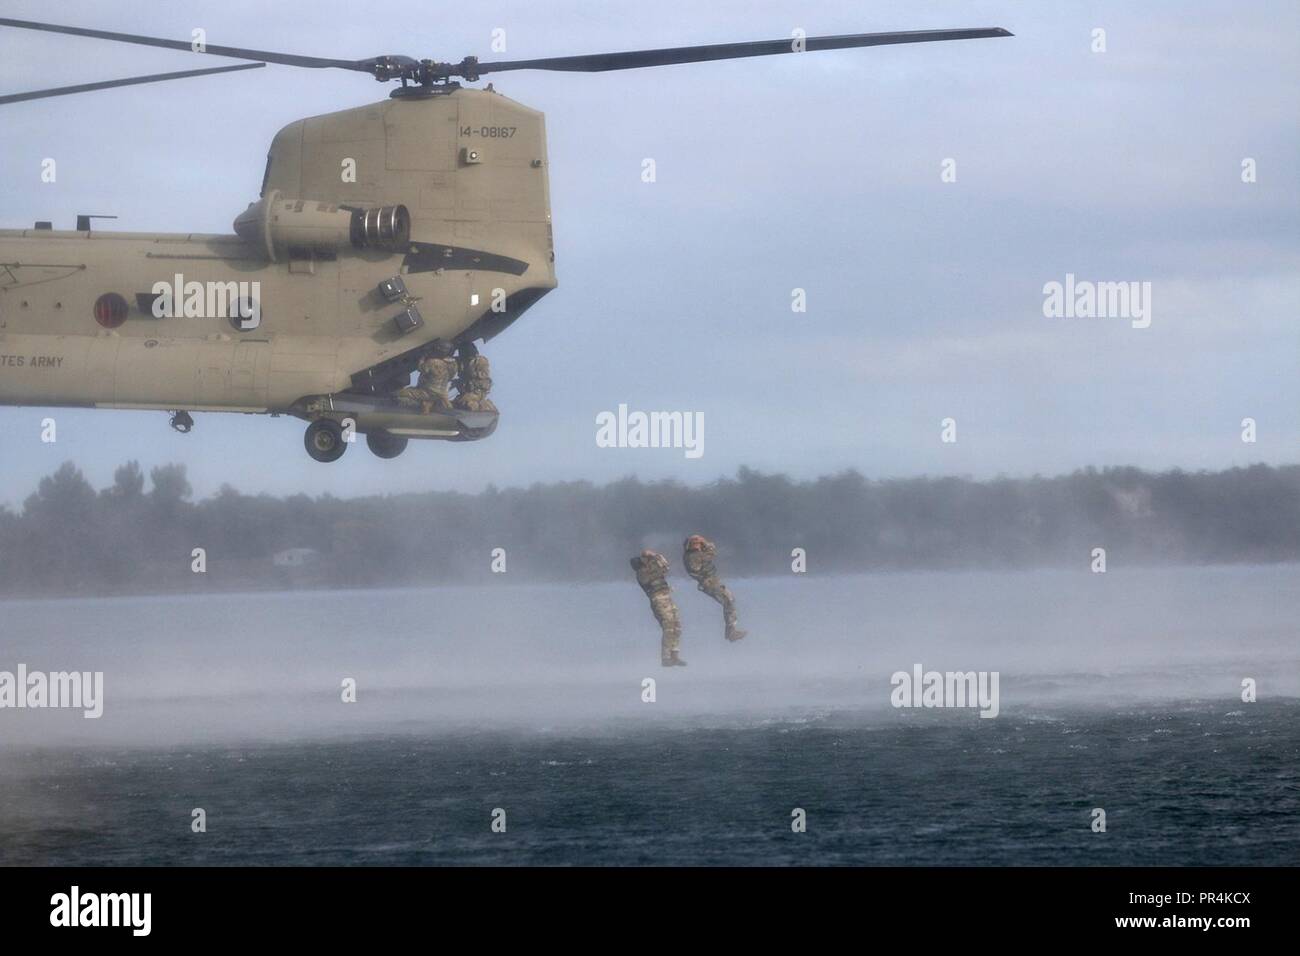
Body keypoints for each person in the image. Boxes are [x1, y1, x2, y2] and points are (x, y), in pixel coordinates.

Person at [683, 534, 747, 642]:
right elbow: (710, 554)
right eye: (695, 544)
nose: (698, 545)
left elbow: (710, 554)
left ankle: (731, 630)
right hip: (708, 582)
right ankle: (731, 631)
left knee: (729, 600)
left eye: (698, 543)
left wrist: (703, 543)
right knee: (728, 601)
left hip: (711, 581)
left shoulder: (695, 554)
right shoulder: (693, 556)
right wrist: (705, 542)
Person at [630, 549, 685, 667]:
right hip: (658, 600)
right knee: (668, 627)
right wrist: (654, 558)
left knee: (677, 626)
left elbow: (665, 566)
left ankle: (674, 654)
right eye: (646, 560)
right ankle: (666, 658)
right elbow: (662, 567)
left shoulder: (652, 567)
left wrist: (655, 556)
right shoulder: (642, 572)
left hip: (667, 597)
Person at [452, 341, 497, 412]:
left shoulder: (478, 361)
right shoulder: (463, 362)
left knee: (469, 405)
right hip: (470, 390)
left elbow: (479, 375)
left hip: (475, 392)